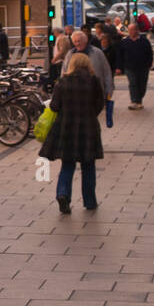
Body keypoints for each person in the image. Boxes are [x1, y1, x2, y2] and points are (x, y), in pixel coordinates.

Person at [40, 51, 106, 214]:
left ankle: (63, 194)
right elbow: (100, 104)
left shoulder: (63, 82)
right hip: (88, 127)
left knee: (67, 165)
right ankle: (89, 201)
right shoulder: (93, 81)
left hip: (66, 127)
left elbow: (54, 106)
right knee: (88, 166)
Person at [62, 28, 114, 127]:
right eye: (75, 42)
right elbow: (64, 71)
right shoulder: (70, 54)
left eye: (79, 41)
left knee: (91, 120)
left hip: (93, 92)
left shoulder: (97, 53)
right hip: (74, 93)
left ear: (85, 40)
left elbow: (106, 72)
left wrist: (109, 89)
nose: (77, 43)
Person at [115, 22, 153, 110]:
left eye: (133, 30)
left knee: (142, 84)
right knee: (133, 83)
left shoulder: (144, 41)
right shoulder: (124, 42)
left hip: (143, 67)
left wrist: (149, 64)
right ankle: (134, 101)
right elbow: (119, 55)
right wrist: (118, 67)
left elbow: (149, 53)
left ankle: (139, 100)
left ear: (137, 30)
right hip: (129, 67)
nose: (131, 32)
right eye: (129, 30)